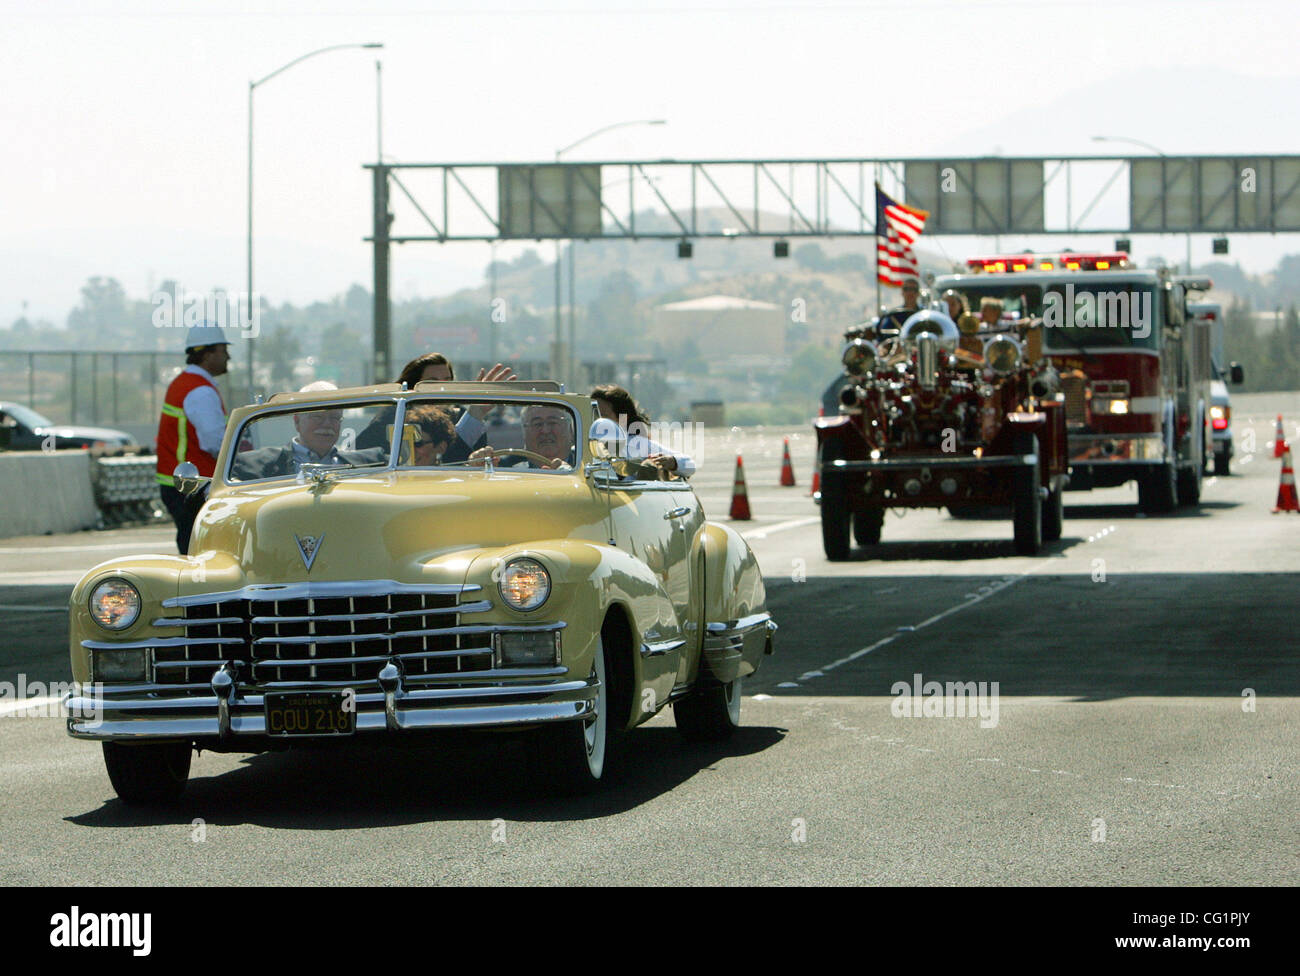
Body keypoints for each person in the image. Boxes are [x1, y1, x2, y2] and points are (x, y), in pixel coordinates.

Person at [357, 353, 516, 461]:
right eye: (433, 382)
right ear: (414, 388)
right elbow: (365, 452)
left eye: (447, 381)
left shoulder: (461, 416)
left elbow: (473, 466)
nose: (442, 388)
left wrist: (476, 413)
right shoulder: (394, 416)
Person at [156, 323, 230, 554]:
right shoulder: (200, 391)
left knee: (191, 545)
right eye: (222, 349)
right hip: (194, 487)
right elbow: (216, 444)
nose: (227, 355)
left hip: (180, 483)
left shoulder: (184, 384)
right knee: (201, 550)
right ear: (207, 354)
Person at [232, 382, 386, 480]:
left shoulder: (371, 463)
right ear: (297, 421)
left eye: (334, 418)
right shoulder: (253, 466)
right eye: (318, 417)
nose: (327, 424)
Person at [590, 384, 695, 478]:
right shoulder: (579, 448)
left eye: (603, 416)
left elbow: (690, 465)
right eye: (593, 414)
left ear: (622, 419)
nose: (596, 420)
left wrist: (672, 462)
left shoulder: (638, 445)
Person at [468, 403, 575, 470]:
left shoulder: (585, 467)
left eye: (552, 422)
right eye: (537, 424)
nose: (545, 431)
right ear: (524, 433)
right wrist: (476, 469)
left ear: (570, 430)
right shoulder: (505, 469)